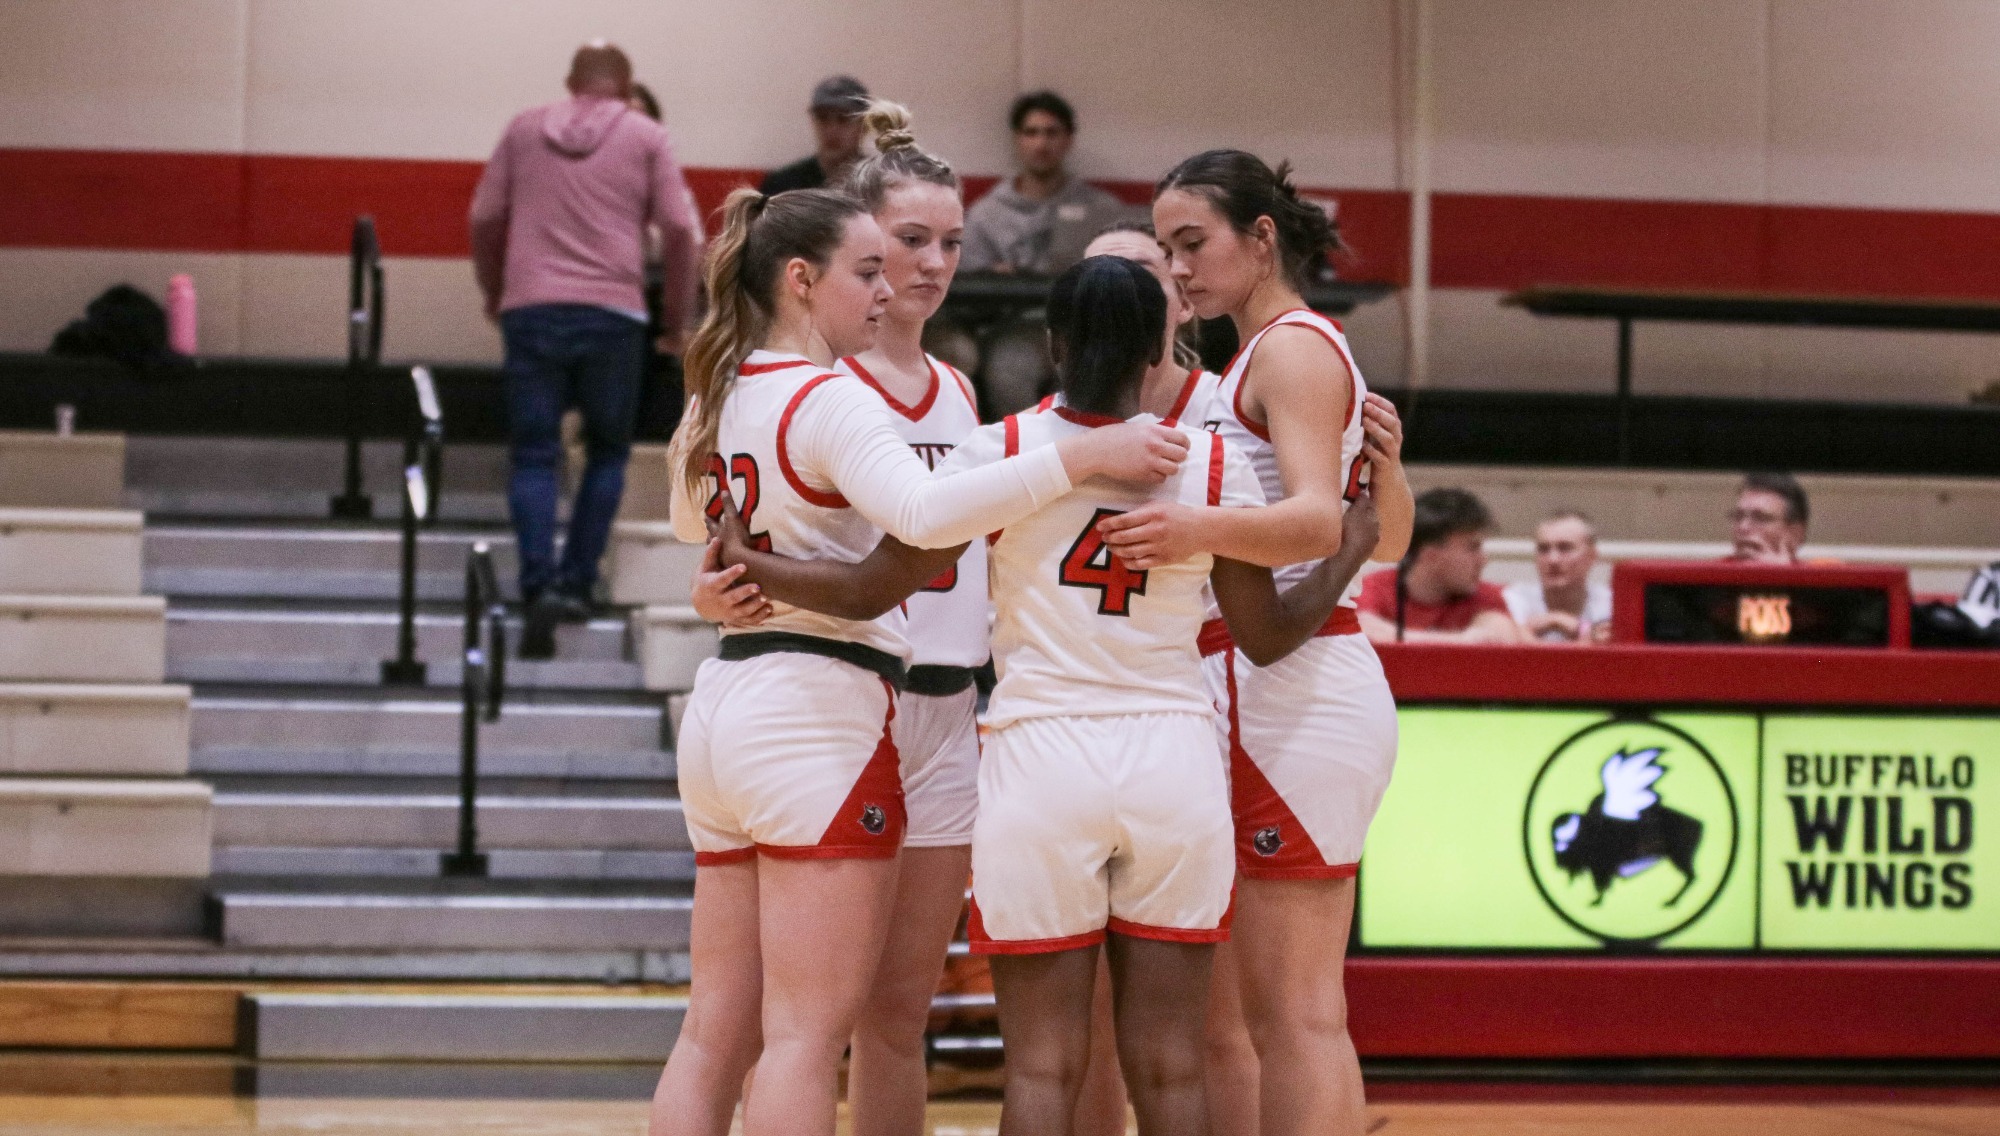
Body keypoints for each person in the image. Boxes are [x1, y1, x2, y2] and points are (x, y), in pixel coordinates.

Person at [707, 254, 1384, 1136]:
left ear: (1052, 347)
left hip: (1038, 757)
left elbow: (876, 585)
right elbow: (1265, 634)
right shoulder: (1213, 464)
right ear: (1158, 348)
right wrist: (1350, 546)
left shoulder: (1000, 452)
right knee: (1174, 1068)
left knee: (1040, 1067)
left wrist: (747, 563)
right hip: (1173, 759)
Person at [648, 187, 1187, 1136]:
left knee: (711, 1033)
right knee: (806, 1037)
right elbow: (929, 518)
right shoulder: (830, 399)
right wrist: (1085, 451)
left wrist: (728, 576)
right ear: (801, 280)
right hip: (818, 705)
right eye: (868, 271)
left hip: (727, 697)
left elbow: (698, 524)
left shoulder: (723, 386)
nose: (888, 290)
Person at [1083, 149, 1414, 1136]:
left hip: (1297, 682)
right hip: (1265, 679)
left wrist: (1195, 531)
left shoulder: (1291, 349)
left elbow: (1321, 524)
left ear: (1260, 237)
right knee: (1281, 1016)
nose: (1176, 269)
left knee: (1297, 1015)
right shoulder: (1257, 357)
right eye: (1166, 248)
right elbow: (1377, 531)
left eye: (1193, 244)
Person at [469, 42, 701, 657]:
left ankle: (536, 582)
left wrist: (498, 291)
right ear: (627, 89)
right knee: (606, 453)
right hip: (613, 318)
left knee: (535, 455)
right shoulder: (646, 135)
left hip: (532, 311)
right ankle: (577, 584)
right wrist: (674, 322)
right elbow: (682, 231)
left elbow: (484, 217)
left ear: (571, 82)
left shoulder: (521, 130)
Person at [959, 91, 1135, 415]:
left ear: (1068, 140)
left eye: (1052, 132)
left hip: (1084, 329)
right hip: (1015, 328)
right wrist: (992, 277)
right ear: (1017, 139)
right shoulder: (985, 213)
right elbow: (965, 289)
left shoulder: (1101, 209)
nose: (1041, 143)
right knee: (1009, 372)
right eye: (1031, 132)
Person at [1357, 488, 1525, 645]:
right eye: (1472, 547)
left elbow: (1501, 636)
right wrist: (1464, 640)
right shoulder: (1375, 586)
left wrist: (1394, 636)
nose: (1483, 560)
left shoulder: (1484, 595)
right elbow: (1361, 631)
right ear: (1430, 555)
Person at [1503, 512, 1613, 643]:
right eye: (1543, 549)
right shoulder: (1513, 600)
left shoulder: (1611, 604)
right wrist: (1588, 635)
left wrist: (1574, 625)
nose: (1553, 560)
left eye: (1565, 548)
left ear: (1592, 556)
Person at [759, 76, 871, 195]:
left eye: (844, 119)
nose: (832, 130)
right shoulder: (783, 184)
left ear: (865, 124)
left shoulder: (878, 184)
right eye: (822, 118)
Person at [1729, 471, 1810, 563]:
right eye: (1738, 517)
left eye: (1760, 518)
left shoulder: (1820, 576)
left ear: (1795, 534)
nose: (1743, 527)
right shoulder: (1711, 573)